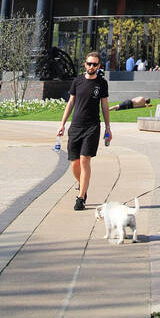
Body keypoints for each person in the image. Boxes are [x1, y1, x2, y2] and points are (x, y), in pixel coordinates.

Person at [56, 50, 112, 210]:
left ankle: (81, 197)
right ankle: (82, 185)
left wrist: (108, 128)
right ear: (85, 64)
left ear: (99, 66)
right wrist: (62, 124)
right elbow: (71, 103)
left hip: (92, 127)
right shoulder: (77, 81)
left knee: (84, 159)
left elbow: (105, 106)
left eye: (95, 64)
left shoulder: (102, 83)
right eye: (89, 64)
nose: (91, 66)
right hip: (76, 126)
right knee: (74, 163)